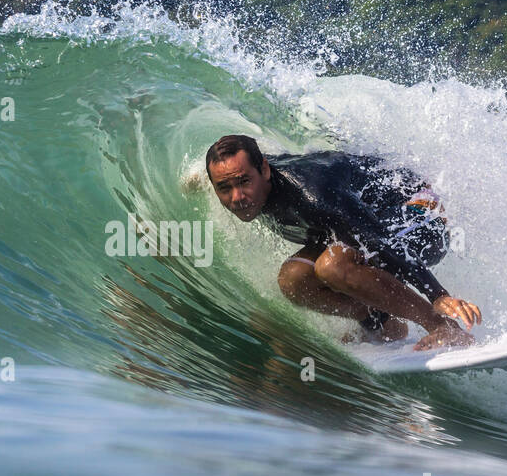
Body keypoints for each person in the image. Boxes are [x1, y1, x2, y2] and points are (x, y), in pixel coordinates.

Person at [203, 134, 481, 350]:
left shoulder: (313, 195)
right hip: (370, 221)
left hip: (421, 217)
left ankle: (443, 327)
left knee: (333, 266)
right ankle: (382, 325)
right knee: (293, 278)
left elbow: (380, 240)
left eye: (243, 182)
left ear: (263, 170)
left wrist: (438, 294)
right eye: (224, 188)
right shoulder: (255, 176)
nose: (237, 197)